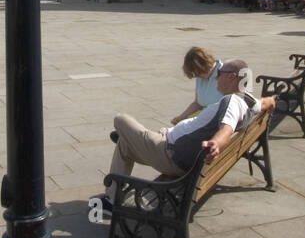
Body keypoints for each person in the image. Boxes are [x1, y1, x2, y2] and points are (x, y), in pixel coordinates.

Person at [96, 60, 277, 214]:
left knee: (120, 119)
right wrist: (271, 101)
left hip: (169, 153)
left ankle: (123, 141)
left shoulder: (232, 101)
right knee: (124, 145)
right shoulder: (247, 100)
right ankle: (112, 198)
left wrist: (216, 143)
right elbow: (263, 103)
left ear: (232, 77)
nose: (216, 77)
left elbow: (227, 129)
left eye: (220, 73)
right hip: (175, 147)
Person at [173, 47, 254, 123]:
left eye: (198, 72)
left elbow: (238, 103)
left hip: (219, 121)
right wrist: (181, 117)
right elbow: (198, 103)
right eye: (195, 74)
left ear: (205, 63)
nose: (198, 76)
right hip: (205, 118)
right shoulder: (201, 77)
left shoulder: (226, 73)